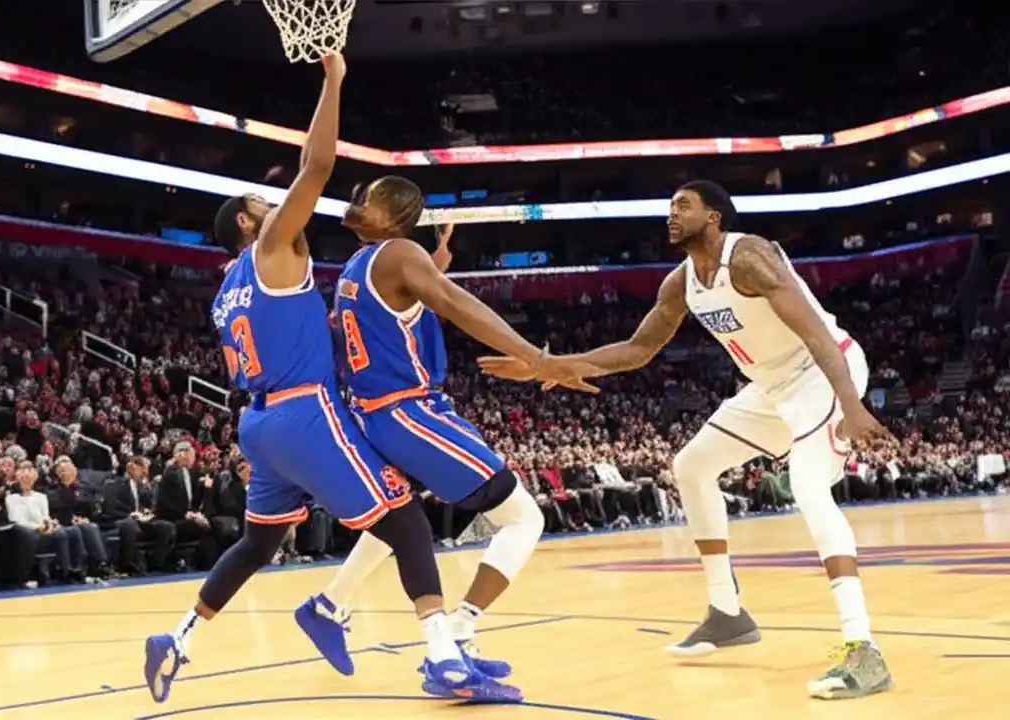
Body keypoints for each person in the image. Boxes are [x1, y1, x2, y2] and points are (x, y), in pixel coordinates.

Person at [145, 52, 524, 705]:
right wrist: (333, 80)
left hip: (257, 423)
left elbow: (322, 328)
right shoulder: (272, 246)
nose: (275, 205)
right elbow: (316, 166)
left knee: (259, 542)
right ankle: (444, 656)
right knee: (406, 521)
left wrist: (421, 275)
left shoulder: (227, 291)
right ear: (247, 223)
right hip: (304, 412)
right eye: (262, 203)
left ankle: (179, 638)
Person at [479, 180, 895, 700]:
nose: (671, 214)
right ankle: (726, 612)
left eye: (683, 206)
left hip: (823, 372)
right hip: (771, 387)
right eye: (670, 205)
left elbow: (815, 331)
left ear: (714, 216)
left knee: (809, 489)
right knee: (692, 466)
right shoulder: (683, 281)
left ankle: (864, 649)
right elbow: (639, 349)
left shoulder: (749, 257)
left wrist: (851, 403)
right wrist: (551, 365)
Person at [299, 176, 585, 682]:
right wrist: (538, 358)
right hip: (408, 411)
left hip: (373, 411)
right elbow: (455, 303)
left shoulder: (359, 265)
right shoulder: (398, 254)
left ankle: (329, 604)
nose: (354, 201)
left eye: (366, 196)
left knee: (397, 518)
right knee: (524, 518)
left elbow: (402, 305)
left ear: (394, 214)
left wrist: (435, 264)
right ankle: (459, 629)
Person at [156, 441, 217, 570]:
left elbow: (194, 500)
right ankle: (203, 564)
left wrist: (206, 490)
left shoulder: (190, 474)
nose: (193, 459)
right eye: (192, 455)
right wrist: (186, 514)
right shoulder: (170, 473)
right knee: (203, 528)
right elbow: (166, 503)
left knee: (210, 524)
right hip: (173, 519)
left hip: (187, 516)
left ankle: (205, 564)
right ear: (183, 455)